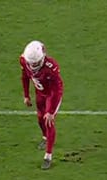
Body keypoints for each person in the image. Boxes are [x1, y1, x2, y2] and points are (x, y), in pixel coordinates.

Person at [19, 41, 64, 169]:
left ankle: (48, 156)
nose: (33, 65)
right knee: (39, 118)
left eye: (35, 63)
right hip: (40, 92)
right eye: (31, 63)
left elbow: (56, 90)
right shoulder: (23, 60)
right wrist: (26, 95)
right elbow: (25, 77)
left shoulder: (51, 67)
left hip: (51, 94)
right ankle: (45, 137)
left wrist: (50, 111)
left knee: (48, 120)